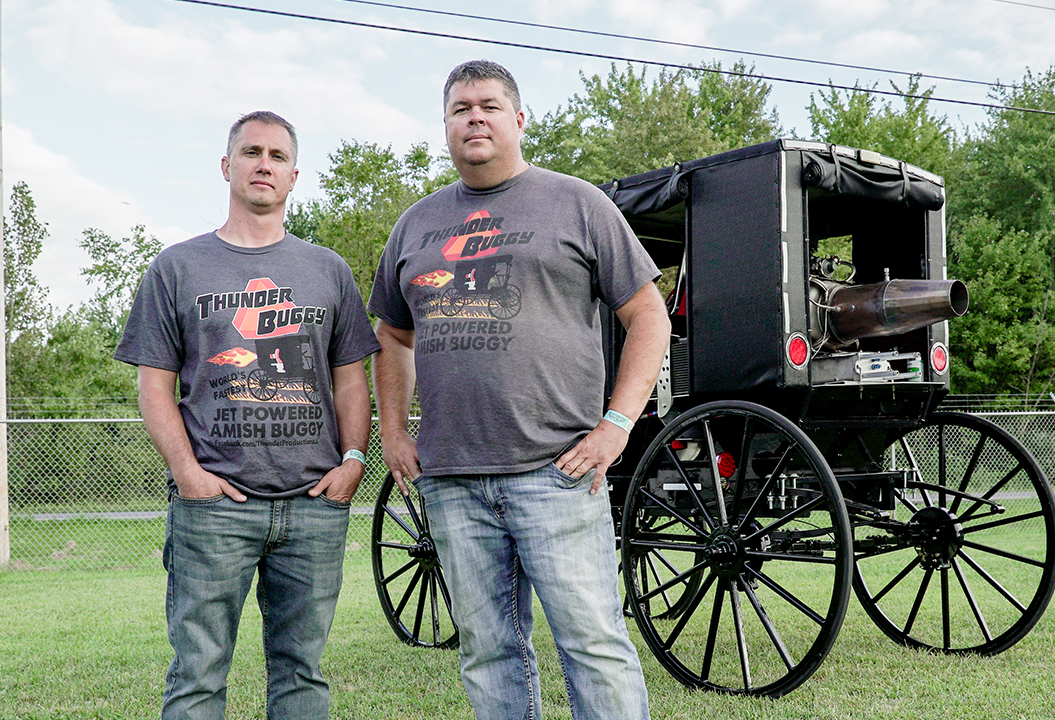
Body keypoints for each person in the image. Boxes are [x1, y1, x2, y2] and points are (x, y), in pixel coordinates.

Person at [369, 60, 670, 720]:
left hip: (557, 471)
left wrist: (618, 424)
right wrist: (391, 431)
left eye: (489, 106)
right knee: (488, 653)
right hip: (451, 480)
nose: (474, 117)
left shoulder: (578, 203)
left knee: (593, 645)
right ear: (445, 125)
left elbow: (648, 313)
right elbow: (392, 336)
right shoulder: (416, 224)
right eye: (460, 108)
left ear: (519, 120)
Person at [115, 110, 380, 720]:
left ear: (293, 176)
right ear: (226, 165)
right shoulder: (177, 267)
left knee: (301, 674)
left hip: (313, 505)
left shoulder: (328, 270)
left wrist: (353, 461)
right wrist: (187, 473)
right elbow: (153, 387)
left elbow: (350, 379)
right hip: (213, 506)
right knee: (198, 675)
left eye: (278, 156)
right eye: (252, 152)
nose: (265, 164)